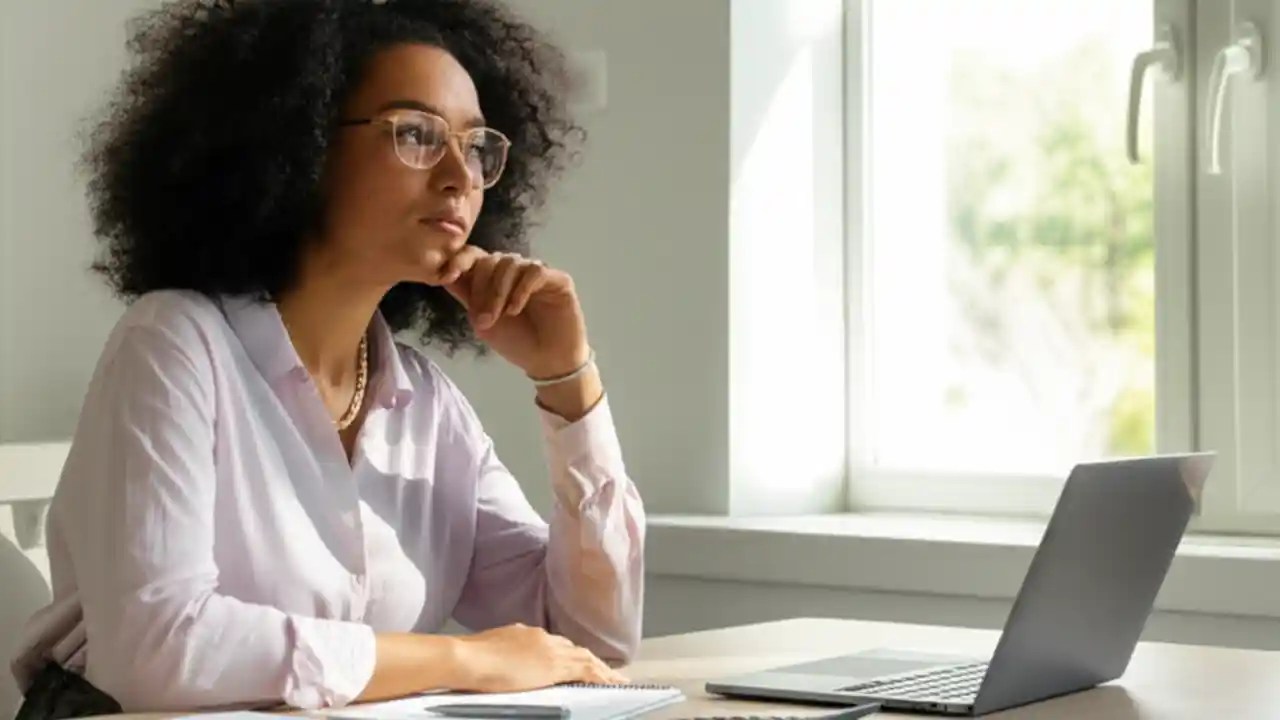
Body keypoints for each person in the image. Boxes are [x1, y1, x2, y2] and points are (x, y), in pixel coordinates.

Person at [10, 0, 645, 713]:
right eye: (415, 133)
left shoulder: (427, 406)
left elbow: (589, 637)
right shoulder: (175, 343)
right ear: (298, 143)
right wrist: (463, 658)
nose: (460, 175)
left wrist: (568, 380)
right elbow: (157, 649)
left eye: (476, 147)